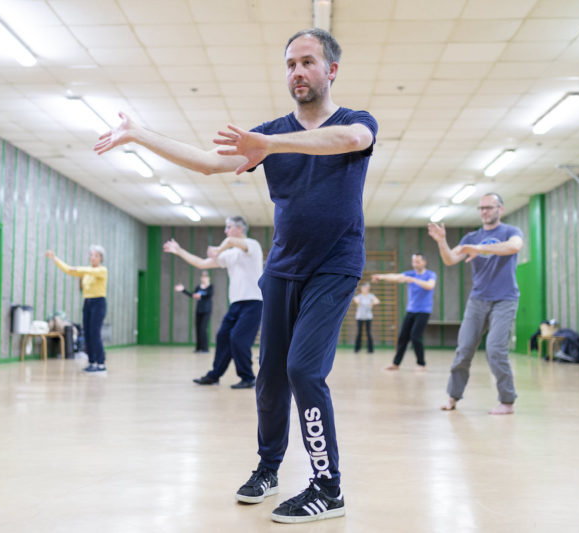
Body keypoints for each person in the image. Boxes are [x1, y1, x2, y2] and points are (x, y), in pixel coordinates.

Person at [95, 27, 377, 524]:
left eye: (308, 62)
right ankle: (268, 468)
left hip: (334, 266)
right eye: (290, 64)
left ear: (331, 70)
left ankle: (327, 486)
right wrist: (140, 134)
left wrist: (269, 143)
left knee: (304, 371)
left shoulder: (353, 121)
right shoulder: (268, 133)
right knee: (269, 379)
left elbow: (351, 140)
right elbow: (208, 163)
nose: (297, 72)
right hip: (282, 269)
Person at [428, 193, 524, 415]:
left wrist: (478, 249)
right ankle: (453, 396)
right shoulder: (471, 236)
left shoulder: (511, 232)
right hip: (478, 299)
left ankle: (507, 400)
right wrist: (442, 242)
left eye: (489, 208)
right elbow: (451, 259)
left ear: (500, 209)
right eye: (481, 208)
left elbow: (514, 247)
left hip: (505, 299)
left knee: (495, 349)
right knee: (464, 349)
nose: (484, 212)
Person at [163, 217, 263, 389]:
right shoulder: (229, 255)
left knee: (238, 339)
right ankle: (214, 376)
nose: (225, 230)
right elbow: (201, 263)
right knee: (222, 336)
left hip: (253, 303)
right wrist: (179, 251)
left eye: (228, 227)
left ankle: (248, 377)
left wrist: (218, 249)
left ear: (240, 228)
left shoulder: (253, 245)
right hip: (236, 304)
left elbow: (231, 241)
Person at [45, 246, 108, 373]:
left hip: (98, 302)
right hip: (88, 302)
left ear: (101, 258)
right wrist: (54, 259)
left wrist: (78, 268)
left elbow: (88, 271)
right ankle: (92, 362)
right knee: (88, 333)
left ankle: (100, 363)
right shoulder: (86, 271)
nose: (92, 258)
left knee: (95, 333)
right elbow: (69, 270)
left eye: (96, 255)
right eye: (91, 255)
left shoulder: (102, 270)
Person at [372, 253, 437, 370]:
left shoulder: (430, 275)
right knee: (403, 337)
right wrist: (381, 276)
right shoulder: (409, 274)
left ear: (424, 262)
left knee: (415, 336)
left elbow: (430, 286)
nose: (415, 264)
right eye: (413, 261)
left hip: (424, 311)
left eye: (417, 261)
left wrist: (413, 280)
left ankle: (421, 364)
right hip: (411, 310)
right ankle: (396, 364)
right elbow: (395, 277)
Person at [175, 270, 214, 353]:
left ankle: (205, 349)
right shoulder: (198, 287)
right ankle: (198, 348)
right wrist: (183, 290)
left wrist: (200, 295)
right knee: (198, 329)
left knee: (203, 329)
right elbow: (192, 295)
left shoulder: (211, 287)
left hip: (206, 310)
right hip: (199, 310)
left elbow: (209, 294)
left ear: (208, 278)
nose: (204, 278)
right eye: (203, 277)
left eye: (206, 277)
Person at [352, 282, 379, 353]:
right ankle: (357, 349)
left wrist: (372, 303)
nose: (365, 290)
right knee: (359, 333)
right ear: (361, 289)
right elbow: (356, 300)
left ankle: (370, 349)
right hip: (360, 317)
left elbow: (377, 301)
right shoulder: (359, 296)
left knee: (368, 333)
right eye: (363, 288)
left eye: (366, 288)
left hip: (368, 317)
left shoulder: (371, 296)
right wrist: (358, 302)